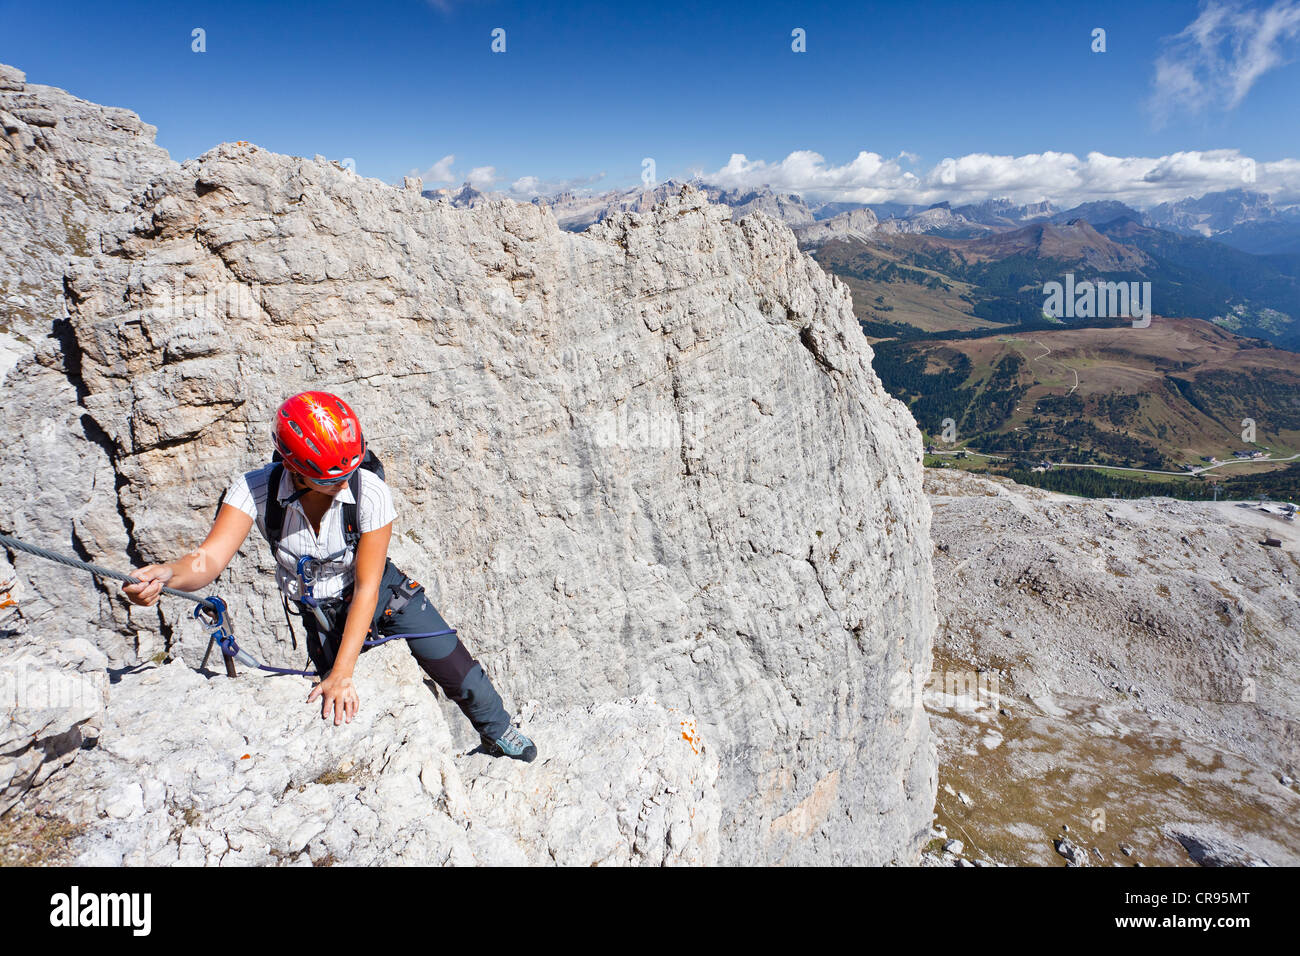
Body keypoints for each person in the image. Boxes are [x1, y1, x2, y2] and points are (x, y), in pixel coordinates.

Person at [122, 390, 536, 762]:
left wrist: (343, 670)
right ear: (292, 467)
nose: (342, 484)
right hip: (319, 611)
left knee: (451, 659)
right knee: (347, 707)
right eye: (329, 479)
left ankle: (498, 730)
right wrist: (168, 575)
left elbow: (369, 586)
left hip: (382, 594)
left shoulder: (369, 491)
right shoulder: (255, 491)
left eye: (346, 473)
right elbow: (207, 561)